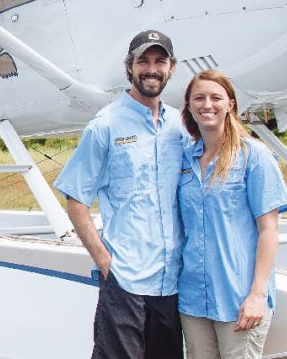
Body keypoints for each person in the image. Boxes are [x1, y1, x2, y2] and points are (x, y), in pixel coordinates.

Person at [54, 30, 187, 358]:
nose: (151, 69)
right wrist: (105, 262)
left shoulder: (180, 126)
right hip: (125, 280)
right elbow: (76, 201)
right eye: (143, 61)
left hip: (170, 283)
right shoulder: (105, 125)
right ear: (130, 67)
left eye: (160, 61)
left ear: (172, 67)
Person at [177, 69, 287, 359]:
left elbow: (269, 230)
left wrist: (257, 295)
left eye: (216, 97)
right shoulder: (184, 160)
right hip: (193, 298)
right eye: (199, 98)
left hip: (238, 297)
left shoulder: (254, 156)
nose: (207, 104)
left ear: (230, 104)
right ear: (189, 105)